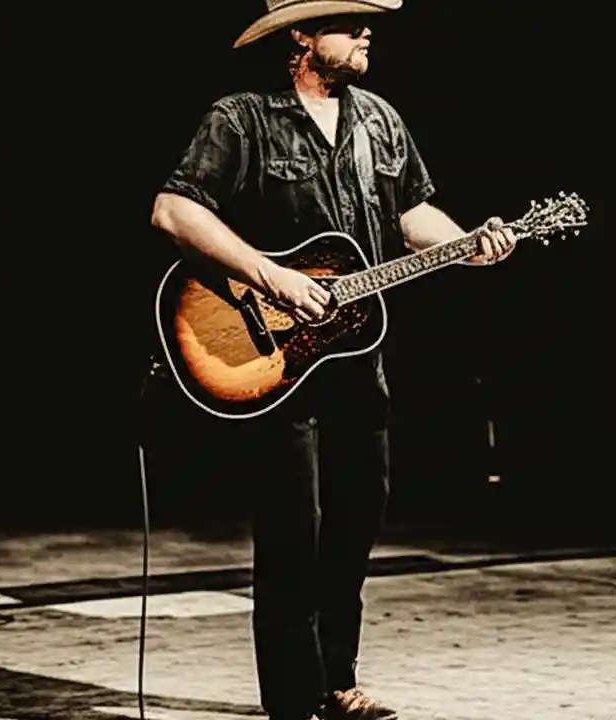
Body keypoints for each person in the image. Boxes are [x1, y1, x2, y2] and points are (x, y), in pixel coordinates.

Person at [149, 1, 517, 718]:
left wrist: (469, 244)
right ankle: (293, 702)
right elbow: (174, 210)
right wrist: (270, 276)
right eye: (349, 22)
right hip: (277, 362)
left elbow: (411, 215)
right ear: (302, 36)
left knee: (353, 530)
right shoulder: (243, 119)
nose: (367, 31)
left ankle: (336, 683)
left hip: (355, 360)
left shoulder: (379, 119)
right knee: (292, 536)